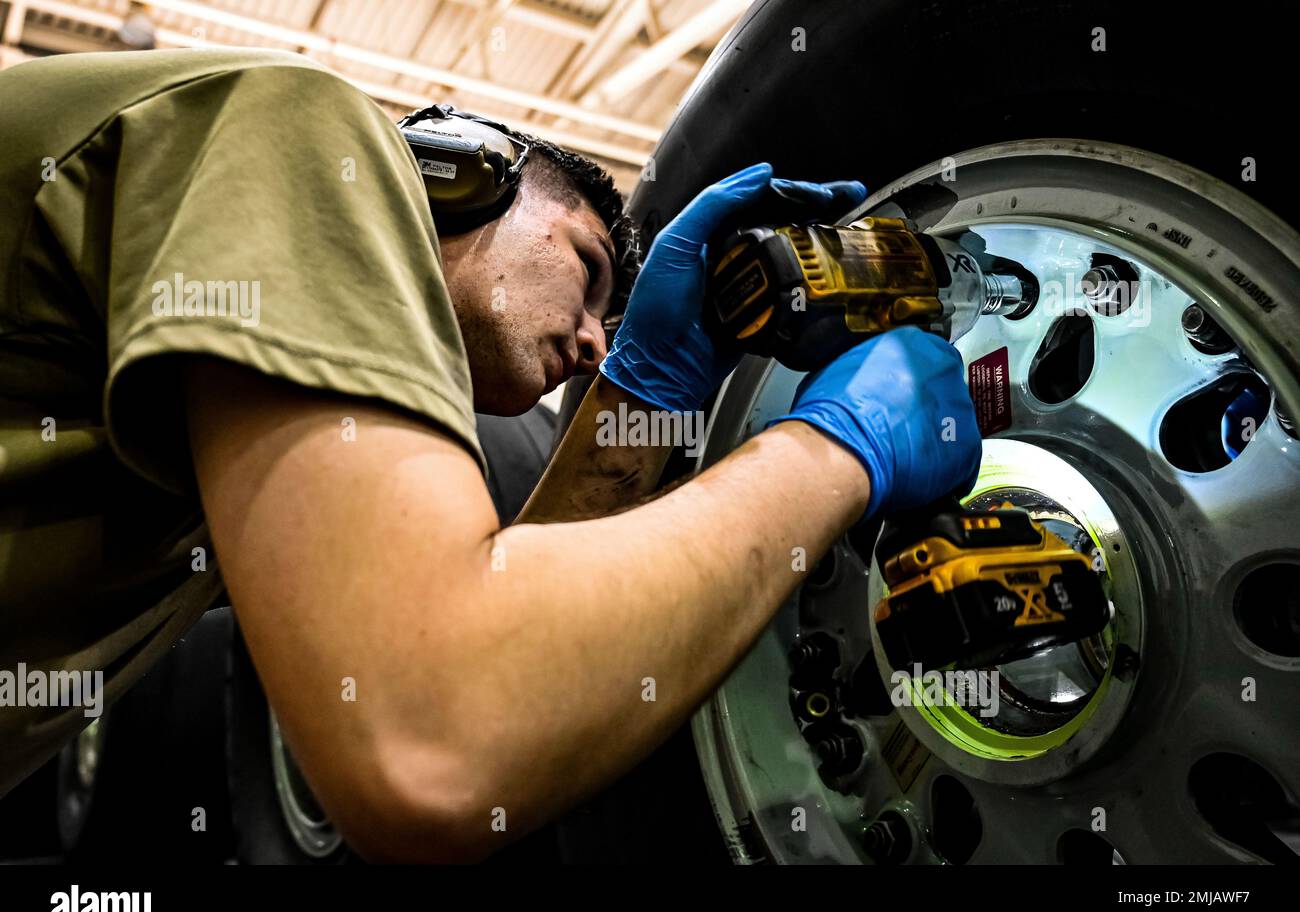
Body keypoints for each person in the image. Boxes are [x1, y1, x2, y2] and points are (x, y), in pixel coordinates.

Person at [0, 47, 980, 861]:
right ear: (461, 170)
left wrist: (639, 395)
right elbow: (438, 731)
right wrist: (838, 448)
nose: (597, 340)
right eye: (589, 272)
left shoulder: (223, 417)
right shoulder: (308, 128)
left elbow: (500, 645)